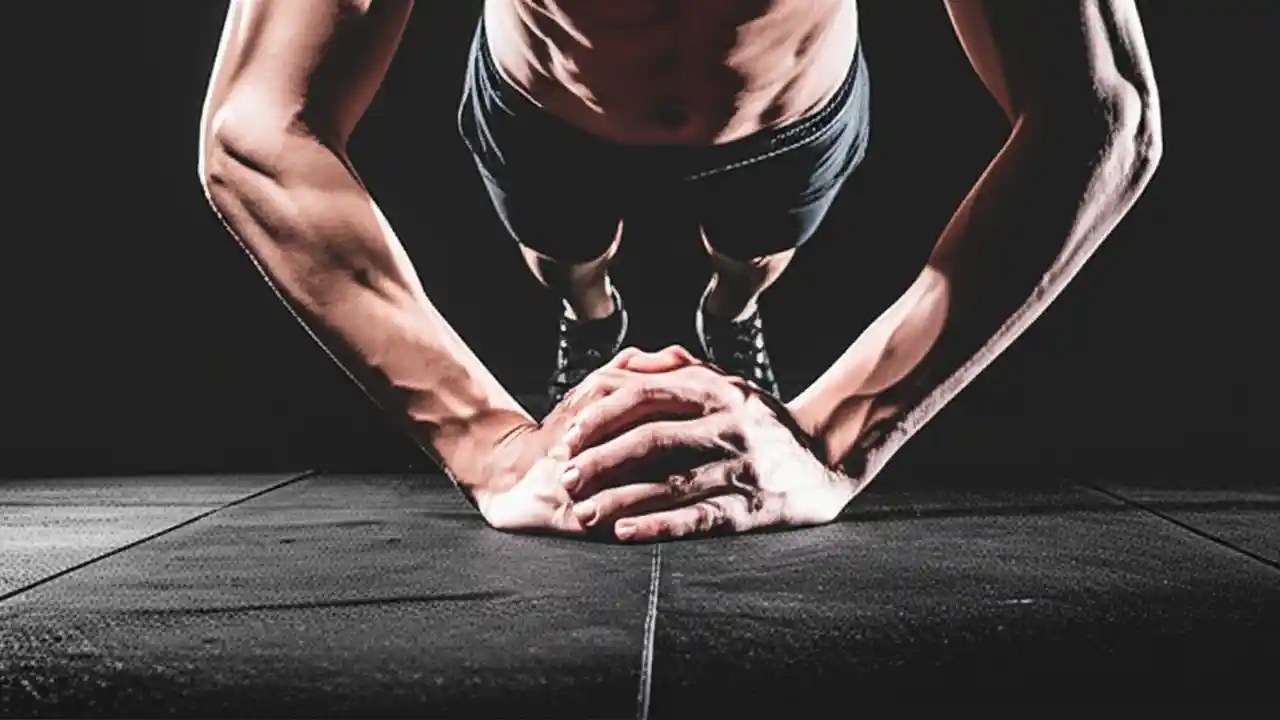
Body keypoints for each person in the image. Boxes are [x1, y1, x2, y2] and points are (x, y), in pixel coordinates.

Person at [198, 0, 1162, 542]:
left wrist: (835, 443)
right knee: (567, 264)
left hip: (785, 123)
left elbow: (1101, 111)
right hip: (544, 111)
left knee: (751, 265)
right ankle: (591, 315)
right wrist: (484, 441)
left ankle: (731, 313)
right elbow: (254, 130)